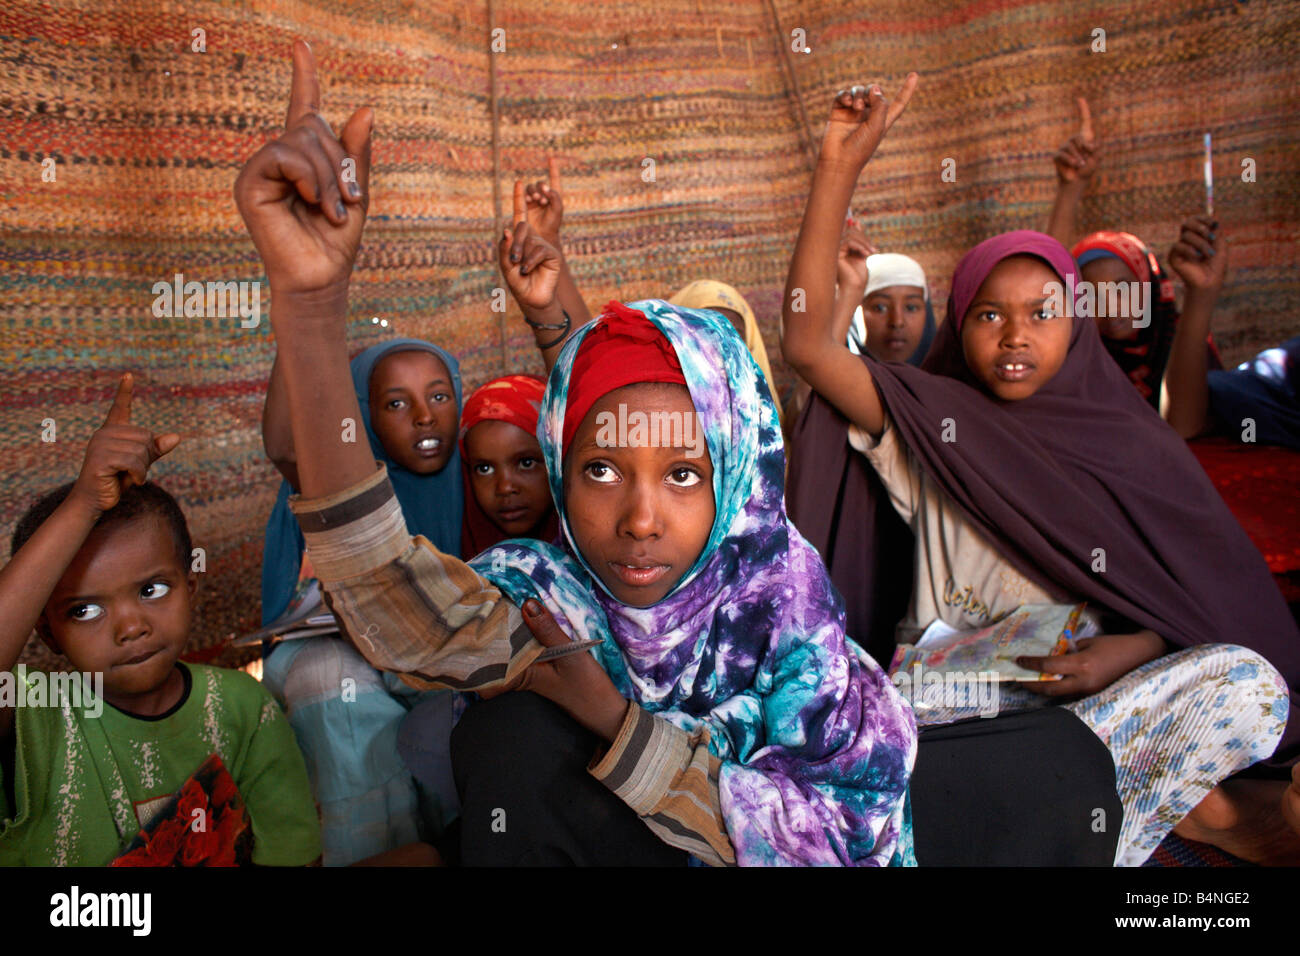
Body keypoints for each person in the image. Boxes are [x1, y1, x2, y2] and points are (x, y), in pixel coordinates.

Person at [234, 41, 921, 866]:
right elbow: (396, 601)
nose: (637, 519)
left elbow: (841, 832)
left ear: (737, 477)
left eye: (682, 476)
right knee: (508, 733)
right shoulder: (554, 600)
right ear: (562, 466)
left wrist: (618, 725)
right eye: (599, 471)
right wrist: (310, 308)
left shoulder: (787, 614)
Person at [781, 76, 1298, 864]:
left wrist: (1135, 650)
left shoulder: (1130, 440)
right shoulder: (928, 416)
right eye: (989, 314)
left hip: (1085, 696)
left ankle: (1087, 802)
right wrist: (837, 167)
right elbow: (809, 346)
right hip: (951, 696)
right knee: (883, 727)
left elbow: (1174, 587)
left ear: (1075, 323)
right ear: (962, 321)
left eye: (1041, 313)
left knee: (1249, 685)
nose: (1014, 335)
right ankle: (1124, 810)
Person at [250, 76, 465, 867]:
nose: (424, 418)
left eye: (438, 396)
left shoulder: (472, 482)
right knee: (333, 695)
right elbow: (286, 442)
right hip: (329, 644)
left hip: (432, 646)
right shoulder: (343, 462)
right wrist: (306, 294)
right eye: (396, 404)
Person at [0, 375, 321, 866]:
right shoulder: (32, 718)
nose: (131, 627)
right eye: (84, 610)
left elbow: (294, 855)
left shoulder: (242, 708)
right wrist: (84, 504)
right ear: (48, 632)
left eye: (152, 590)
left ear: (191, 587)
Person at [459, 373, 559, 556]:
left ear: (557, 461)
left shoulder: (595, 552)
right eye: (484, 469)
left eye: (526, 463)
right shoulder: (458, 558)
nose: (505, 487)